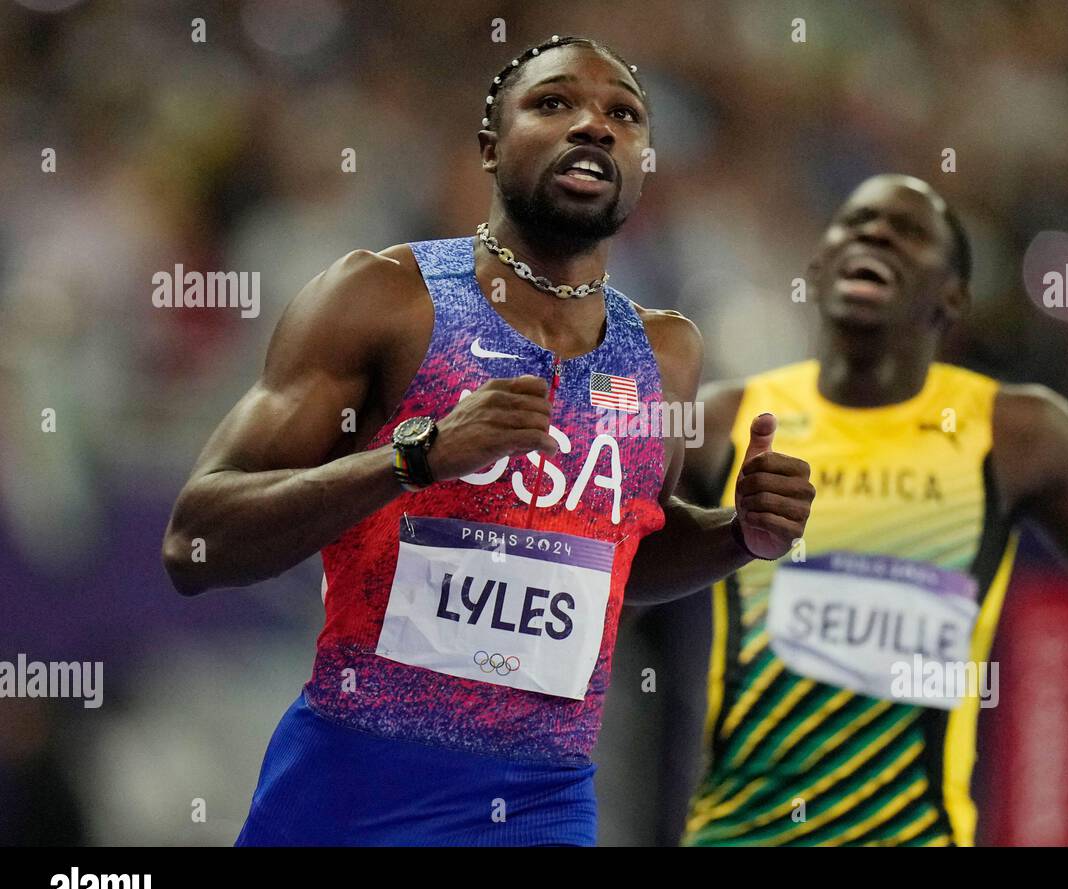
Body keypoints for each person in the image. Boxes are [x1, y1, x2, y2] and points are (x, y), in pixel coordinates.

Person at [161, 35, 814, 846]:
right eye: (553, 104)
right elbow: (195, 541)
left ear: (646, 164)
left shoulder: (665, 351)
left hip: (545, 803)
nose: (594, 127)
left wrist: (735, 536)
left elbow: (619, 558)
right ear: (489, 147)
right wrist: (415, 459)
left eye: (623, 115)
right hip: (351, 791)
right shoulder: (383, 298)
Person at [659, 174, 1068, 847]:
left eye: (907, 232)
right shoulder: (726, 420)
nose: (875, 234)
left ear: (954, 295)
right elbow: (629, 561)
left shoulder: (1019, 432)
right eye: (856, 223)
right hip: (739, 835)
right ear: (818, 270)